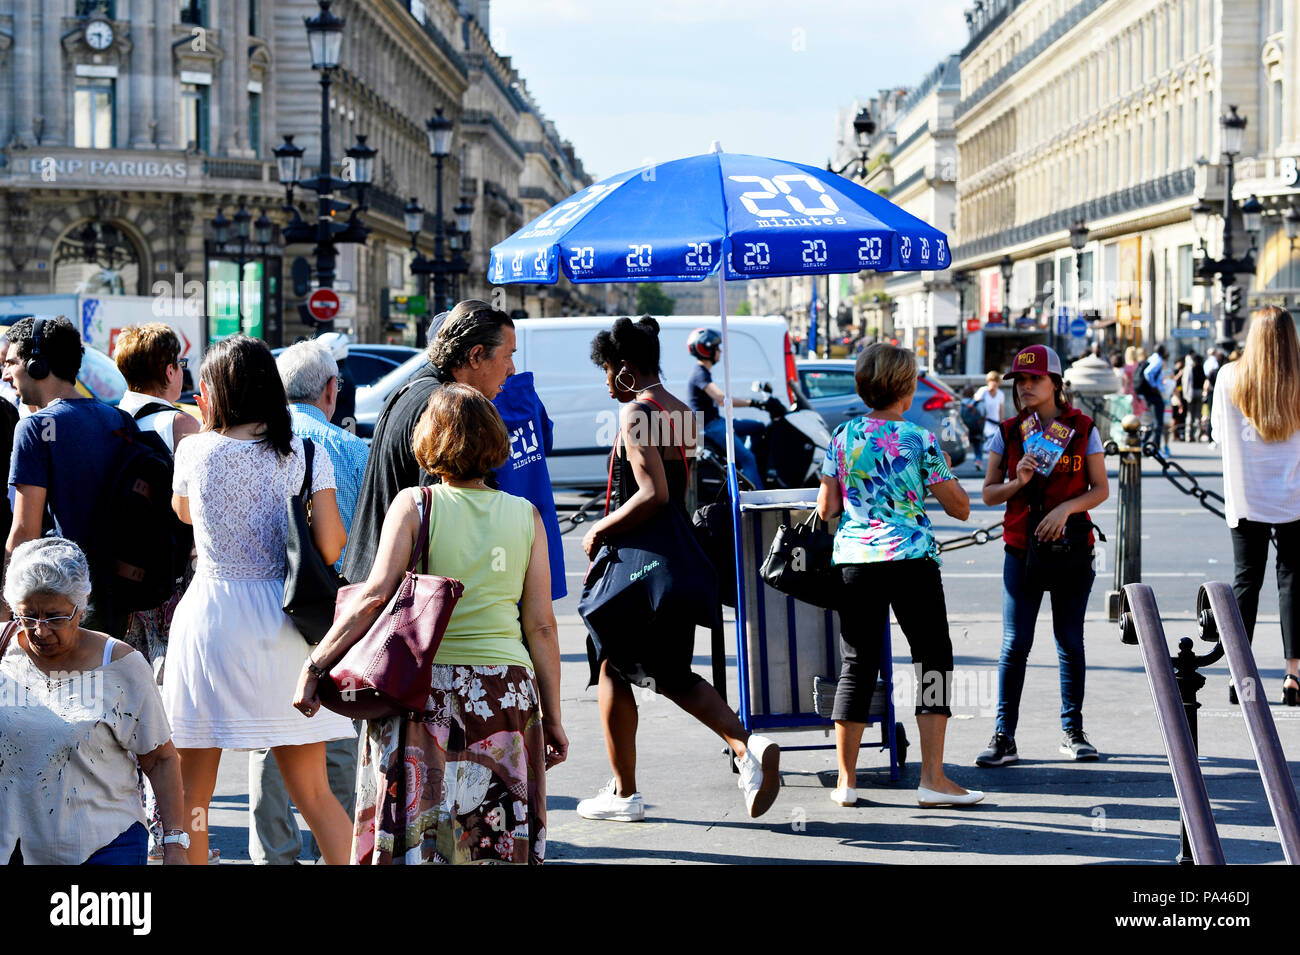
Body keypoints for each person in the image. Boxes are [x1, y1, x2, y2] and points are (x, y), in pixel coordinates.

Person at [295, 383, 567, 864]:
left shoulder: (415, 504)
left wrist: (316, 664)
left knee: (421, 831)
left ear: (431, 440)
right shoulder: (526, 516)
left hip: (425, 693)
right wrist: (552, 717)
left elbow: (375, 596)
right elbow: (542, 626)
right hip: (506, 694)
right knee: (489, 837)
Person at [162, 335, 356, 865]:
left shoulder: (194, 450)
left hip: (212, 618)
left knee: (192, 796)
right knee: (313, 792)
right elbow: (332, 544)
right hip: (286, 624)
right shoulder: (307, 453)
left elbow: (183, 514)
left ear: (213, 391)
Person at [578, 316, 781, 822]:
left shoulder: (636, 413)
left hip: (641, 564)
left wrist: (600, 530)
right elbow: (680, 495)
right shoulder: (681, 410)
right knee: (671, 674)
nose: (606, 382)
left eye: (607, 371)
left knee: (608, 663)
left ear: (625, 369)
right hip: (680, 562)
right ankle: (746, 748)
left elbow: (654, 494)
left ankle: (624, 795)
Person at [816, 343, 983, 809]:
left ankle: (846, 782)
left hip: (855, 562)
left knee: (857, 664)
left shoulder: (842, 436)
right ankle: (932, 779)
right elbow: (961, 506)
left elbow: (828, 507)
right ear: (906, 388)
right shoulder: (919, 440)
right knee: (931, 660)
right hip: (911, 561)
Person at [244, 340, 372, 866]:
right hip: (336, 613)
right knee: (338, 735)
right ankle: (336, 853)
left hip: (266, 605)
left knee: (270, 737)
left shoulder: (253, 443)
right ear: (329, 389)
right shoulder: (350, 449)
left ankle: (273, 855)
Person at [0, 538, 187, 864]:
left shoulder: (121, 666)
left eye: (55, 617)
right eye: (28, 616)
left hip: (105, 847)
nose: (40, 631)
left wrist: (174, 843)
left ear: (81, 608)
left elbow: (160, 760)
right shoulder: (3, 651)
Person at [976, 345, 1110, 767]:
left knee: (1070, 641)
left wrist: (1065, 509)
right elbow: (987, 493)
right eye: (1021, 380)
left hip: (1072, 548)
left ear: (1056, 384)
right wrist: (1018, 482)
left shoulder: (1083, 427)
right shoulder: (1011, 431)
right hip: (1020, 550)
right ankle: (1003, 736)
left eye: (1035, 379)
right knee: (1015, 644)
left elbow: (1100, 488)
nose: (1026, 386)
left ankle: (1073, 732)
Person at [341, 300, 515, 584]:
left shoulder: (414, 387)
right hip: (403, 600)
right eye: (508, 355)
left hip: (375, 582)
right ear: (476, 355)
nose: (512, 369)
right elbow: (442, 521)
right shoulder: (445, 408)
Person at [112, 322, 202, 860]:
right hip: (172, 585)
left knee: (126, 691)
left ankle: (125, 805)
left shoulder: (112, 419)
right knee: (166, 706)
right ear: (170, 371)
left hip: (123, 584)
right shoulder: (181, 424)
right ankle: (168, 825)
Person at [3, 316, 137, 634]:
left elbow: (24, 533)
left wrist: (4, 610)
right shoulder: (119, 420)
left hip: (58, 603)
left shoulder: (34, 428)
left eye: (11, 363)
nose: (6, 374)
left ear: (37, 364)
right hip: (116, 597)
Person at [1210, 307, 1300, 706]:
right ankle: (1293, 675)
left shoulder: (1229, 377)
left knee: (1246, 582)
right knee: (1294, 581)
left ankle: (1239, 675)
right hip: (1295, 495)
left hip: (1247, 496)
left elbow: (1215, 434)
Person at [493, 370, 567, 600]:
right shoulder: (527, 395)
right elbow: (547, 441)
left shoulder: (477, 407)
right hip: (539, 517)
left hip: (499, 529)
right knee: (540, 611)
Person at [687, 326, 765, 490]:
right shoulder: (699, 373)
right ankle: (757, 499)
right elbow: (722, 399)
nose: (720, 352)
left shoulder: (703, 372)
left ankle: (744, 474)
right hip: (709, 426)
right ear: (707, 350)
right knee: (748, 458)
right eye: (717, 348)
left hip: (718, 422)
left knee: (759, 427)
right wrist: (753, 402)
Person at [974, 370, 1006, 457]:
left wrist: (1001, 421)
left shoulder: (1000, 394)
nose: (994, 383)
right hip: (985, 421)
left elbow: (1000, 409)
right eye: (992, 381)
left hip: (995, 422)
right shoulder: (983, 391)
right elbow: (975, 403)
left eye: (996, 381)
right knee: (989, 438)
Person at [1182, 352, 1206, 442]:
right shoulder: (1201, 368)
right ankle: (1197, 435)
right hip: (1200, 392)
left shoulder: (1190, 369)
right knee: (1198, 414)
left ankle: (1188, 435)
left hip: (1191, 392)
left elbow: (1186, 382)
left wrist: (1185, 394)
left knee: (1190, 415)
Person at [960, 385, 985, 466]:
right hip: (976, 429)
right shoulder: (977, 403)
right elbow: (982, 413)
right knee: (978, 445)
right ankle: (978, 461)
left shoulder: (960, 403)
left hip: (964, 429)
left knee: (960, 446)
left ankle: (955, 464)